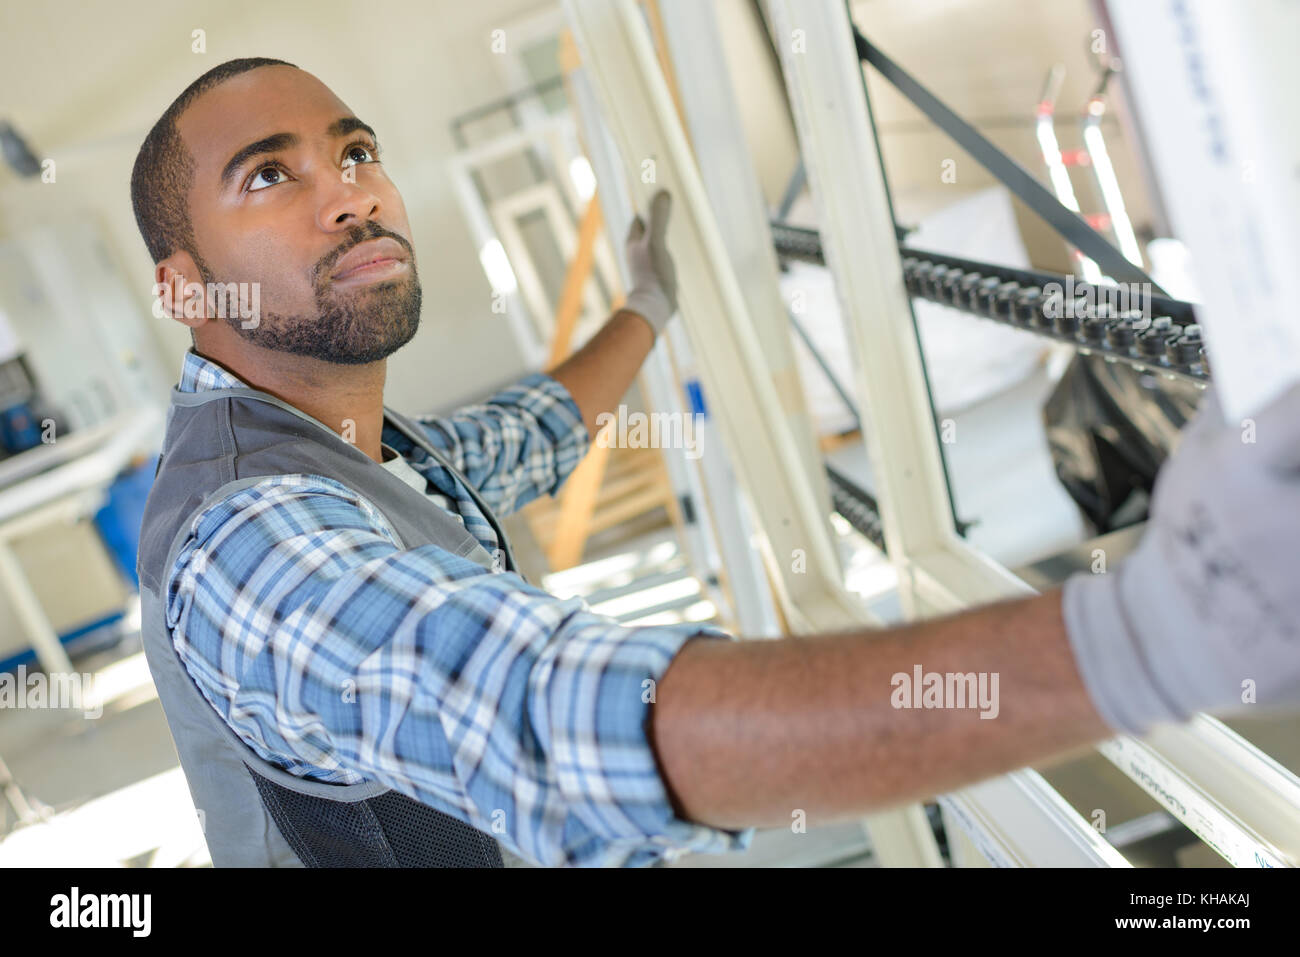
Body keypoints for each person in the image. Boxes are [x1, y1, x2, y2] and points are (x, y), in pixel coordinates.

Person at [132, 58, 1300, 868]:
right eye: (271, 176)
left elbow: (527, 433)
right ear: (182, 286)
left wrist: (647, 303)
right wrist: (1147, 639)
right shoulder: (246, 541)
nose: (351, 195)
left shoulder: (350, 445)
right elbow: (548, 717)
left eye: (357, 149)